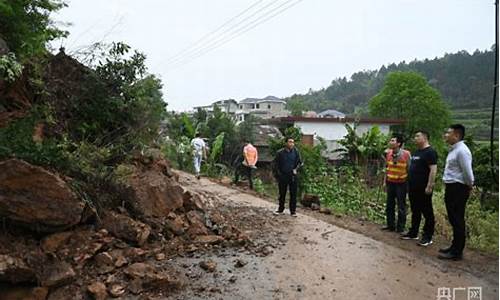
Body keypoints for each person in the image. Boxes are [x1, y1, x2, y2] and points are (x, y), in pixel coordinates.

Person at [439, 124, 474, 261]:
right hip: (452, 187)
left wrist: (469, 185)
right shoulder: (454, 150)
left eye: (448, 133)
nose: (446, 135)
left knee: (457, 219)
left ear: (457, 135)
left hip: (458, 188)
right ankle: (454, 246)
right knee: (453, 218)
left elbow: (467, 172)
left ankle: (457, 252)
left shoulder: (462, 151)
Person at [401, 131, 437, 247]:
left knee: (427, 212)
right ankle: (413, 232)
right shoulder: (417, 152)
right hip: (413, 187)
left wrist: (430, 185)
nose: (415, 138)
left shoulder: (430, 152)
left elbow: (433, 169)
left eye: (417, 136)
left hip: (423, 187)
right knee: (415, 210)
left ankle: (427, 236)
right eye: (414, 136)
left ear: (425, 138)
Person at [382, 134, 411, 233]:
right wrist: (384, 182)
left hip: (401, 184)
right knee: (389, 205)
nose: (391, 142)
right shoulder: (389, 153)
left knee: (401, 206)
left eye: (393, 140)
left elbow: (409, 169)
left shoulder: (406, 154)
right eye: (391, 140)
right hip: (390, 182)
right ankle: (390, 225)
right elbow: (387, 168)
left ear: (399, 143)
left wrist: (409, 184)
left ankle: (401, 228)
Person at [272, 137, 302, 217]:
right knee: (282, 193)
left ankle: (293, 211)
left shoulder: (296, 152)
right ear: (286, 143)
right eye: (290, 142)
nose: (291, 144)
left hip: (292, 175)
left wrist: (296, 169)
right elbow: (275, 165)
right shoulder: (280, 153)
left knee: (293, 194)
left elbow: (300, 162)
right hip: (283, 175)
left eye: (293, 142)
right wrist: (278, 175)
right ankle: (280, 209)